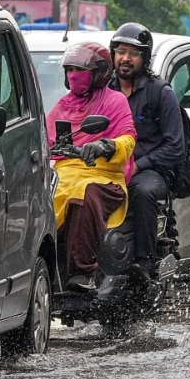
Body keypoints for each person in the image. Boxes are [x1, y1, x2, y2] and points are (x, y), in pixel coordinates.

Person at [46, 42, 136, 291]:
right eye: (69, 70)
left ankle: (83, 272)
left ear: (100, 72)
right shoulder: (63, 105)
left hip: (104, 177)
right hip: (62, 174)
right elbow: (44, 138)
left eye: (79, 70)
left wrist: (104, 146)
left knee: (83, 193)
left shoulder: (115, 101)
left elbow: (128, 140)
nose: (73, 75)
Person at [108, 22, 184, 277]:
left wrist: (139, 164)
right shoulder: (104, 91)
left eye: (133, 53)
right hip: (109, 166)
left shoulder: (160, 92)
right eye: (120, 52)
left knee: (142, 191)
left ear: (145, 57)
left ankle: (144, 263)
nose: (125, 59)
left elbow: (175, 146)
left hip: (149, 170)